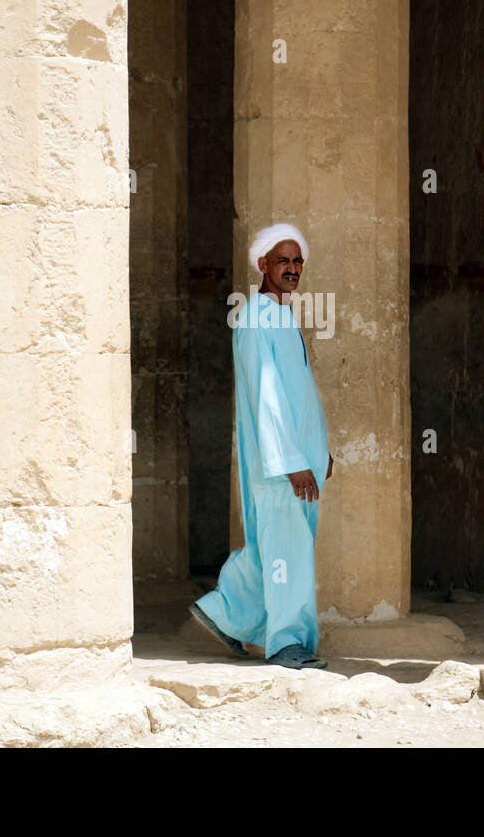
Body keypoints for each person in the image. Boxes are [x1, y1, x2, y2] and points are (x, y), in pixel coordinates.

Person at [189, 223, 333, 669]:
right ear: (263, 266)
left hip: (299, 459)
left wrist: (318, 451)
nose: (291, 268)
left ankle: (226, 613)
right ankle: (287, 644)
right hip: (281, 467)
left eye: (296, 261)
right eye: (282, 261)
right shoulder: (255, 318)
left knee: (272, 548)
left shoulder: (279, 315)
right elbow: (266, 396)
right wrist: (292, 461)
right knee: (286, 550)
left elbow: (299, 392)